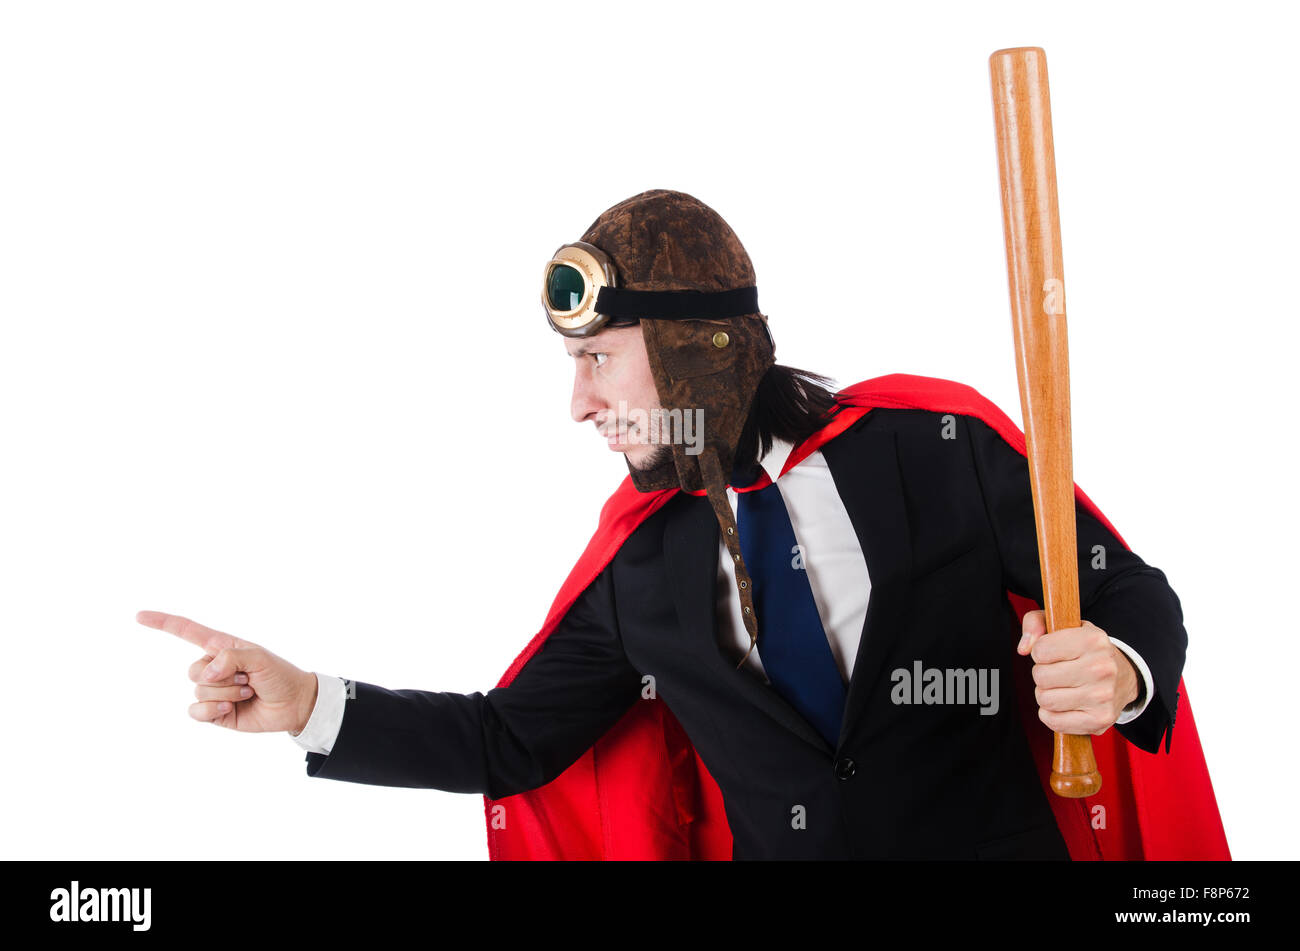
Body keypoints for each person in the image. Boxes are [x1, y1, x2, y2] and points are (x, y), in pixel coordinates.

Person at [138, 189, 1227, 860]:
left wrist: (1121, 669)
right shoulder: (643, 566)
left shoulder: (932, 450)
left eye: (596, 359)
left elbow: (1125, 589)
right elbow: (506, 741)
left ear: (702, 349)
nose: (579, 405)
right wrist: (307, 705)